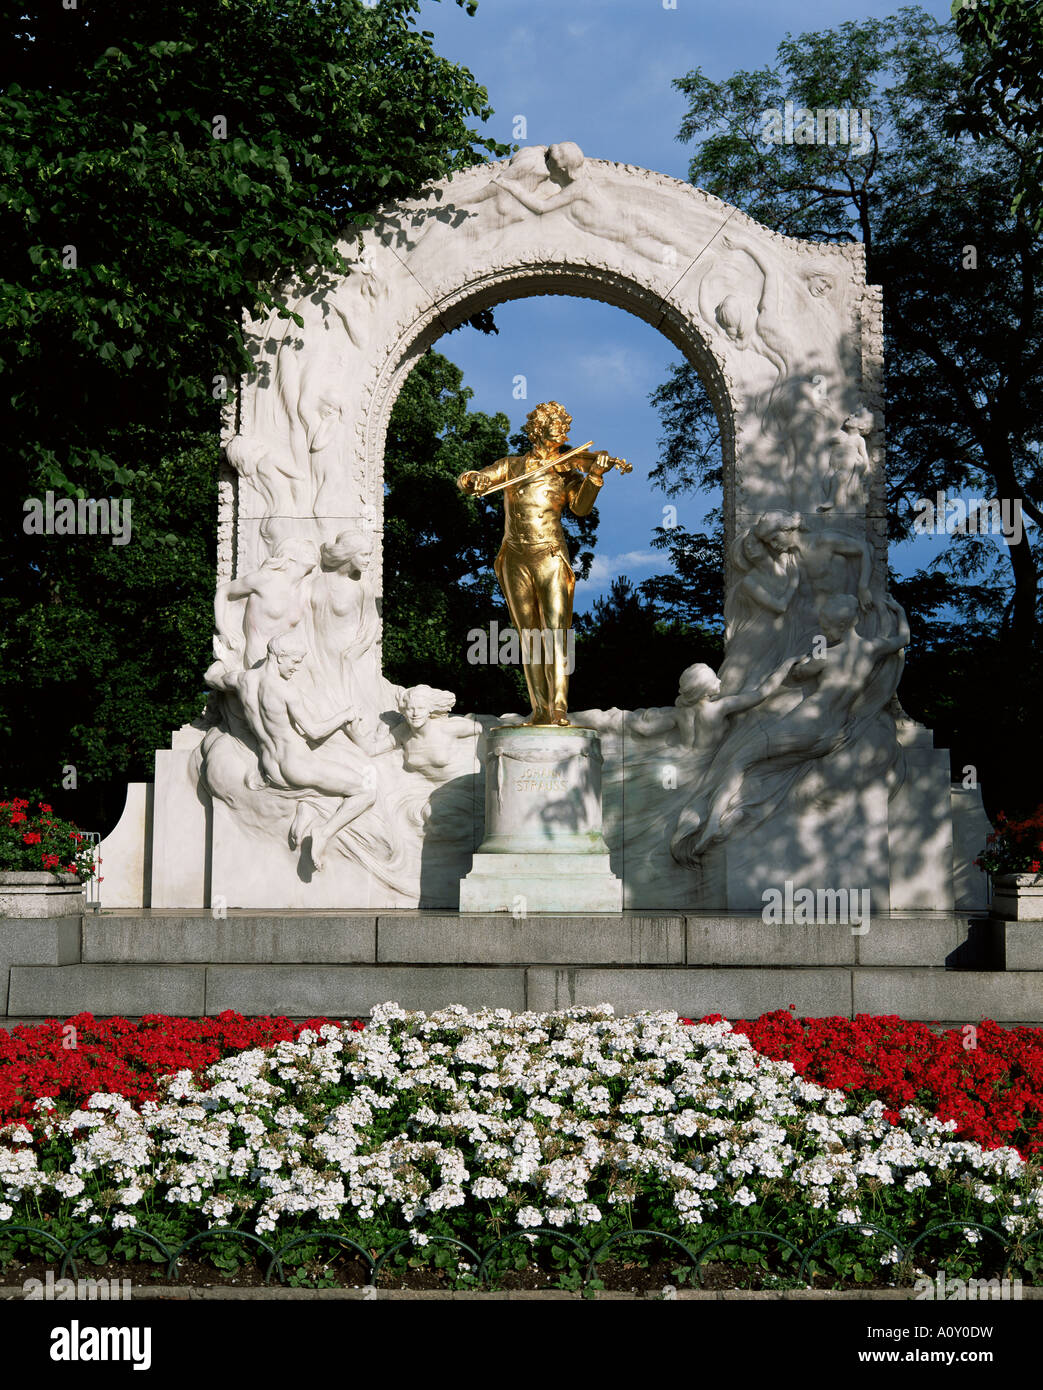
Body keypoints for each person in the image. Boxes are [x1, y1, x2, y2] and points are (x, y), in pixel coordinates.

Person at [457, 400, 627, 725]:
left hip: (550, 555)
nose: (564, 430)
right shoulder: (512, 466)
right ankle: (539, 709)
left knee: (556, 632)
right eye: (557, 423)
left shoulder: (567, 471)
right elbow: (476, 478)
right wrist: (472, 479)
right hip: (515, 557)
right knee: (528, 636)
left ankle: (559, 707)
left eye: (565, 425)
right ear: (538, 427)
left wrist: (594, 476)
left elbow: (580, 509)